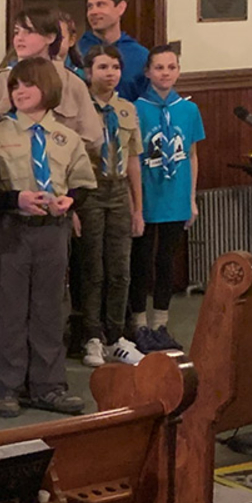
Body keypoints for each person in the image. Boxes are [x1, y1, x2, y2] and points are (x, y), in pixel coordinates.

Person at [0, 58, 96, 417]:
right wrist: (17, 199)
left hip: (52, 232)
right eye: (15, 86)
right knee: (8, 309)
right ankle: (6, 386)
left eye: (28, 85)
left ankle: (49, 385)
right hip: (11, 230)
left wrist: (69, 200)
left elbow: (83, 183)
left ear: (49, 89)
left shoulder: (66, 137)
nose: (20, 92)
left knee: (49, 309)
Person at [129, 45, 202, 352]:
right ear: (148, 72)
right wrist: (136, 206)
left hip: (176, 195)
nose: (166, 73)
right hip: (148, 195)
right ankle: (139, 324)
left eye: (172, 67)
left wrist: (192, 198)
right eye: (159, 68)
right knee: (141, 261)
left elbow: (193, 155)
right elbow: (134, 157)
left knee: (166, 262)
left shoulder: (188, 110)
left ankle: (161, 323)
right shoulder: (136, 108)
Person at [78, 45, 146, 368]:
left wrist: (137, 208)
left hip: (119, 191)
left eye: (115, 67)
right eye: (103, 67)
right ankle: (92, 336)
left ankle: (117, 334)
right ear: (88, 72)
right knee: (94, 268)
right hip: (90, 190)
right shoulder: (79, 109)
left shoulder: (127, 110)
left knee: (121, 269)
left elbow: (133, 160)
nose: (110, 73)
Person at [0, 8, 103, 156]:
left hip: (60, 170)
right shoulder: (0, 82)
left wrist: (61, 153)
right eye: (16, 32)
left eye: (29, 32)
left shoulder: (72, 83)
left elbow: (93, 138)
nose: (20, 38)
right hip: (10, 169)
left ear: (50, 37)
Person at [78, 0, 150, 102]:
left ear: (121, 8)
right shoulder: (77, 52)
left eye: (101, 5)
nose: (93, 12)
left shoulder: (140, 56)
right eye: (90, 7)